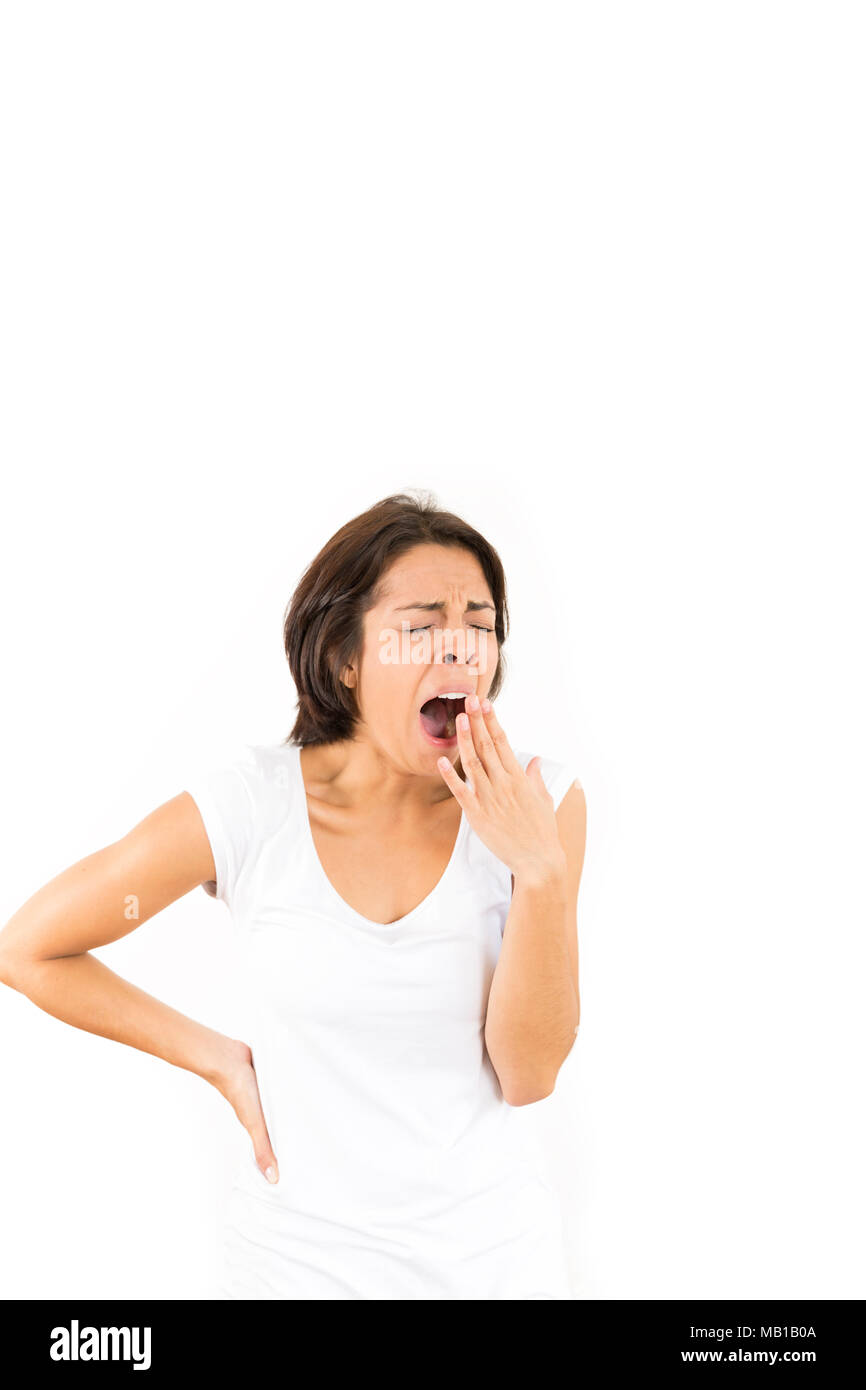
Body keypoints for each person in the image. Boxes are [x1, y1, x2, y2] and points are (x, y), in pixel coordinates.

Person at [0, 490, 587, 1300]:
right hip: (295, 1268)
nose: (461, 649)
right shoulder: (252, 807)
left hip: (494, 1268)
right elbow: (29, 949)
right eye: (421, 625)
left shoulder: (541, 802)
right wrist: (216, 1060)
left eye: (479, 623)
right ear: (346, 659)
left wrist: (542, 871)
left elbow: (528, 1074)